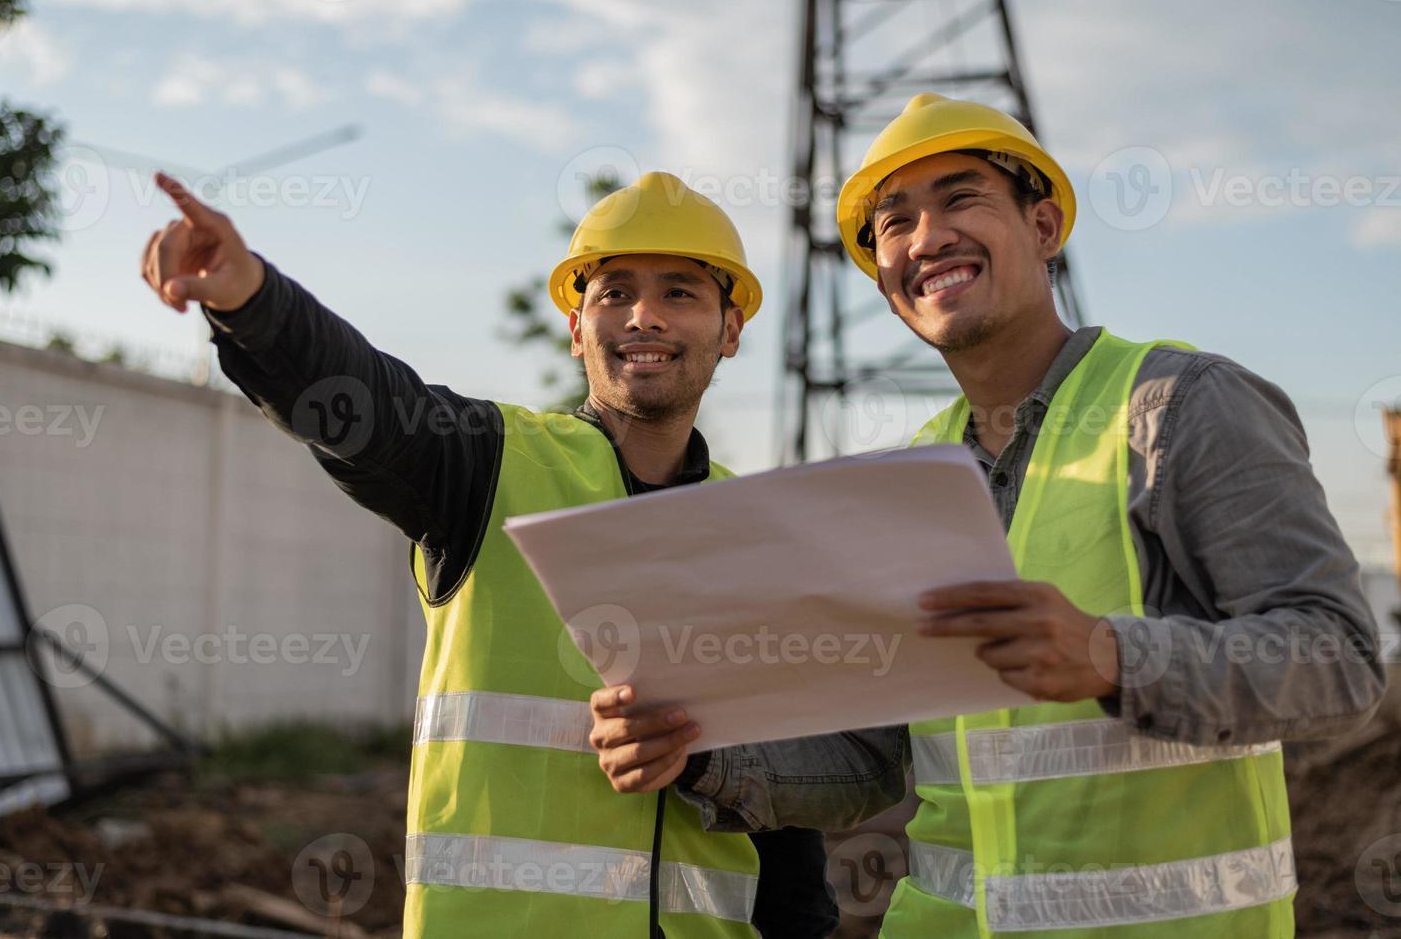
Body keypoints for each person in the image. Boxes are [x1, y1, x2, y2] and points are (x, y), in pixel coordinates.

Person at [588, 94, 1387, 937]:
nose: (926, 238)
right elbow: (872, 755)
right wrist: (701, 753)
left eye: (961, 199)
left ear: (1044, 227)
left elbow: (1339, 660)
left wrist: (1111, 656)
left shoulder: (1183, 406)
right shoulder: (906, 481)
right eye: (894, 223)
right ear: (890, 287)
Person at [138, 170, 838, 937]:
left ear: (729, 330)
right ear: (577, 329)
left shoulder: (755, 531)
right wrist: (251, 299)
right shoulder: (486, 465)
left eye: (680, 292)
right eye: (612, 293)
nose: (643, 316)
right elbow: (362, 400)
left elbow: (790, 815)